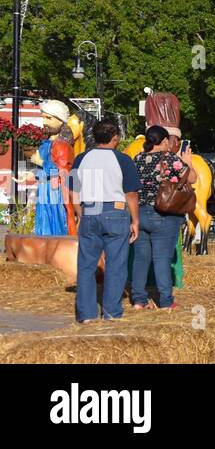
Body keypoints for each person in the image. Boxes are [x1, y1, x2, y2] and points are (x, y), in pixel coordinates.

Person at [69, 119, 140, 323]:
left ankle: (87, 315)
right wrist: (135, 220)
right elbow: (132, 194)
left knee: (86, 266)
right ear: (115, 138)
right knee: (116, 266)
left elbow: (73, 191)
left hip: (89, 211)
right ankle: (111, 313)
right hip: (115, 212)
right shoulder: (123, 160)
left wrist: (81, 214)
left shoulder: (81, 159)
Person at [131, 126, 197, 311]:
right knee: (162, 258)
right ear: (163, 142)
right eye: (168, 141)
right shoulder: (169, 159)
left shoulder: (137, 159)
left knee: (140, 259)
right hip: (164, 214)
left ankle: (138, 300)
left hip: (140, 213)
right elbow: (192, 179)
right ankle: (166, 301)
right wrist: (188, 162)